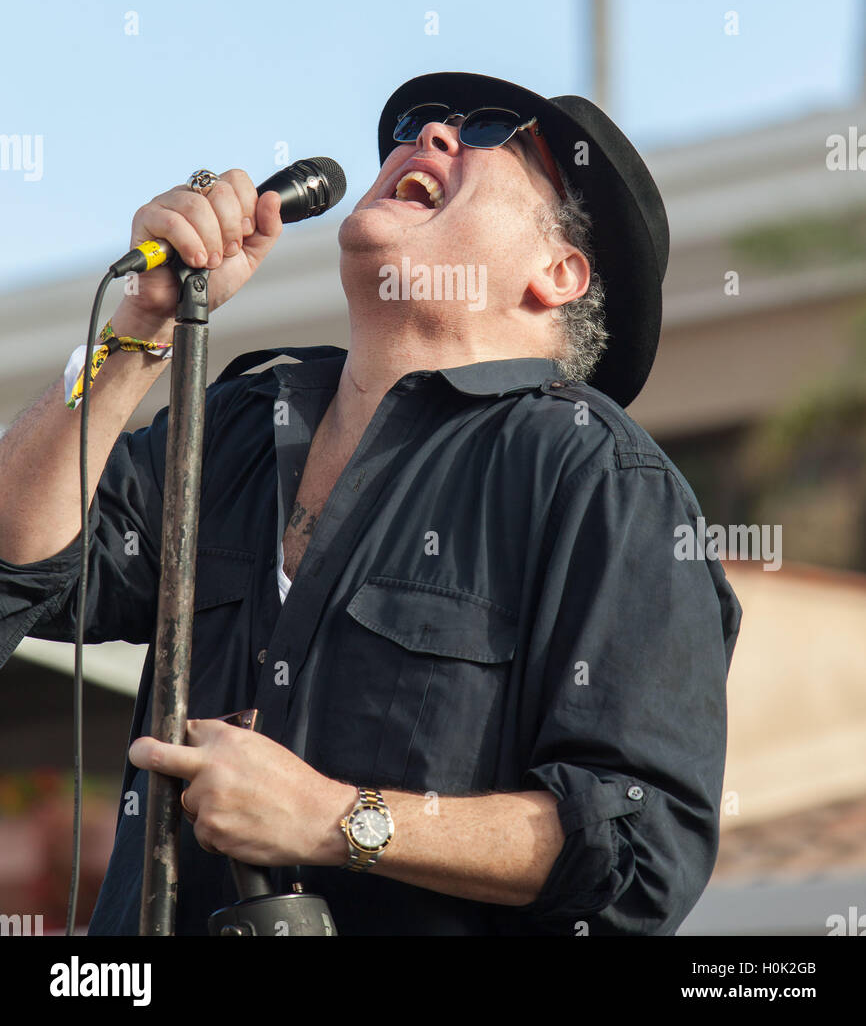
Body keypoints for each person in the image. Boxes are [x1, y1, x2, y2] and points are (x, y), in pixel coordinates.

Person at [0, 71, 741, 936]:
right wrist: (143, 323)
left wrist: (339, 819)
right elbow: (21, 559)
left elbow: (641, 845)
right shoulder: (233, 423)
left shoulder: (599, 483)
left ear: (557, 272)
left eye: (492, 131)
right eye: (419, 125)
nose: (426, 137)